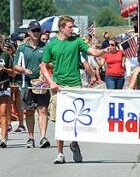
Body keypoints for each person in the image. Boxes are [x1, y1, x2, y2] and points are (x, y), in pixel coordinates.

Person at [41, 16, 109, 164]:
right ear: (62, 28)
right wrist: (51, 82)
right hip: (59, 86)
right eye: (70, 27)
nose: (72, 29)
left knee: (75, 119)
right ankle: (60, 153)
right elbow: (43, 65)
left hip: (75, 86)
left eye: (73, 27)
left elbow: (93, 52)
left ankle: (74, 142)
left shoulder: (77, 41)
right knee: (59, 121)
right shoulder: (52, 44)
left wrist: (104, 50)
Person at [13, 21, 51, 148]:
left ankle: (43, 137)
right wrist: (24, 70)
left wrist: (45, 68)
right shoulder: (22, 48)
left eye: (37, 30)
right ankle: (30, 137)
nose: (36, 33)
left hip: (41, 83)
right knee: (29, 111)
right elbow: (15, 65)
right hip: (27, 83)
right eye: (33, 30)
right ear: (29, 32)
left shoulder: (45, 47)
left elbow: (52, 63)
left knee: (43, 109)